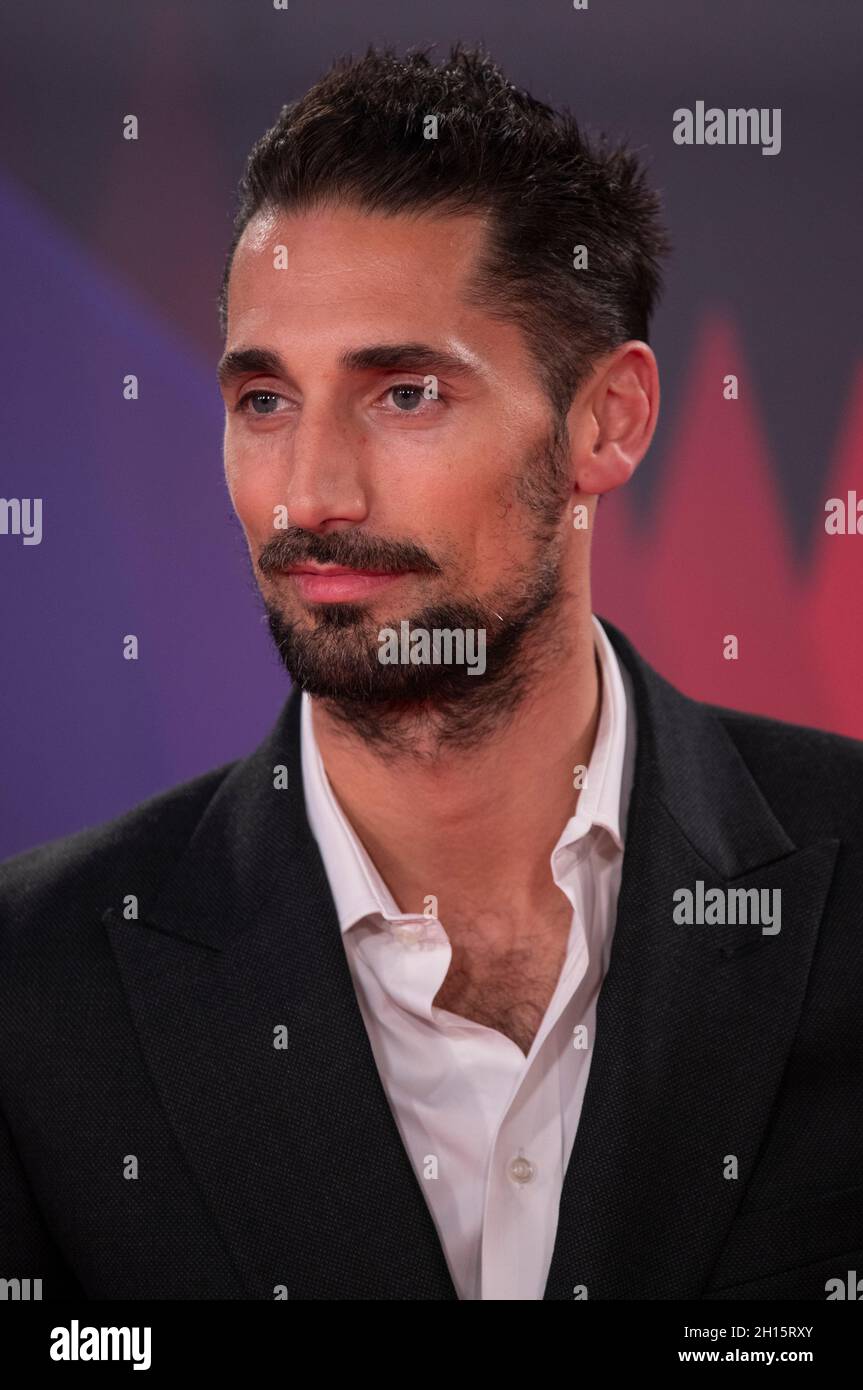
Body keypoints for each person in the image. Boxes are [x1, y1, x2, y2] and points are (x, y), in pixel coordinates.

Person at [2, 44, 862, 1302]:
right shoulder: (36, 984)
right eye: (262, 401)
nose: (309, 495)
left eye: (403, 394)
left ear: (605, 423)